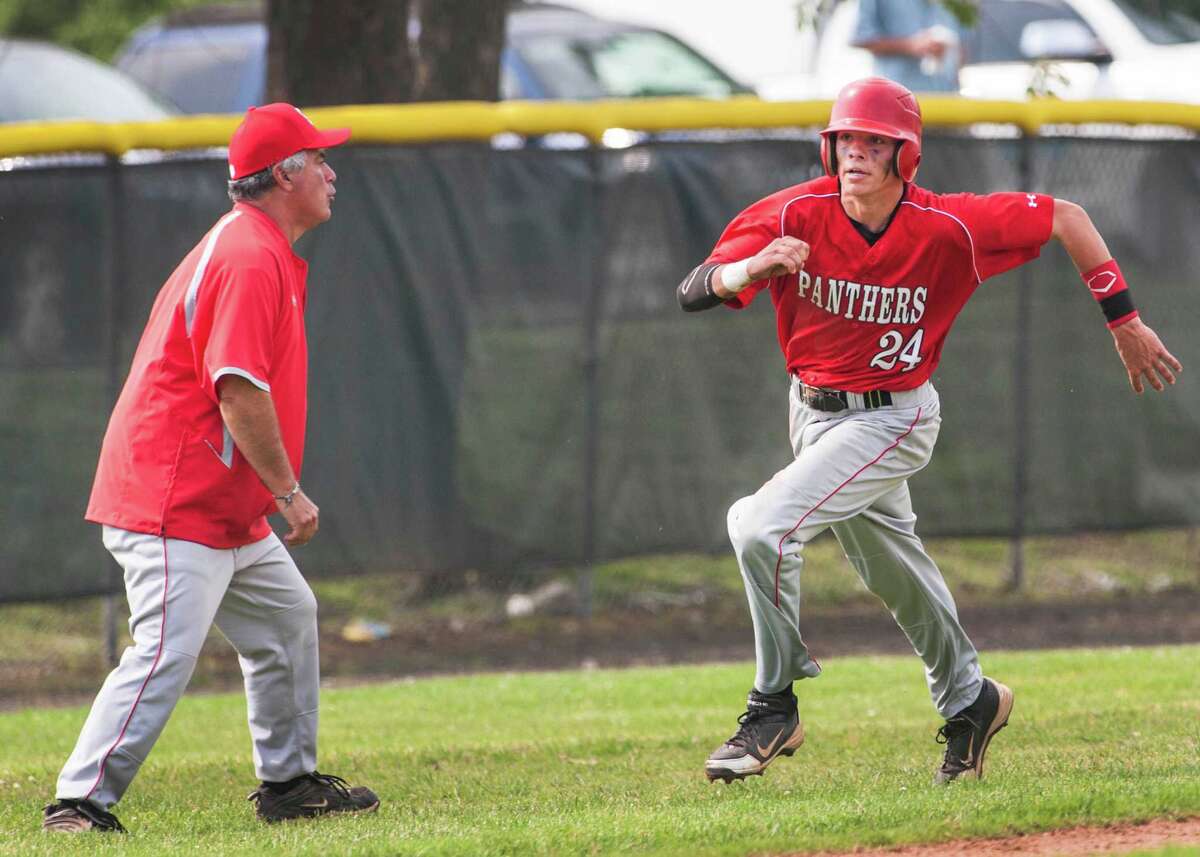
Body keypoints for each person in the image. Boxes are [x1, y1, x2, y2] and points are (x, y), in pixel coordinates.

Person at [677, 77, 1180, 786]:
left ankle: (772, 704)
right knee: (893, 571)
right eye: (846, 138)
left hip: (894, 416)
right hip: (813, 413)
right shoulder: (794, 212)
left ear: (902, 155)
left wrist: (1125, 323)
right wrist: (747, 268)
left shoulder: (950, 225)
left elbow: (1068, 216)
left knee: (760, 528)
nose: (855, 153)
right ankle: (971, 698)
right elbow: (694, 288)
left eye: (873, 141)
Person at [42, 103, 379, 833]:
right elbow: (236, 389)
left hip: (220, 502)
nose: (330, 170)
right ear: (284, 174)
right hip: (175, 496)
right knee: (166, 650)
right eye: (318, 158)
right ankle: (79, 800)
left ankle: (289, 783)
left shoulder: (263, 245)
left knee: (288, 619)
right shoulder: (249, 254)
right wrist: (288, 492)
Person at [852, 0, 967, 93]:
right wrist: (911, 45)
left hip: (946, 96)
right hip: (897, 98)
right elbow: (863, 38)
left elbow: (962, 46)